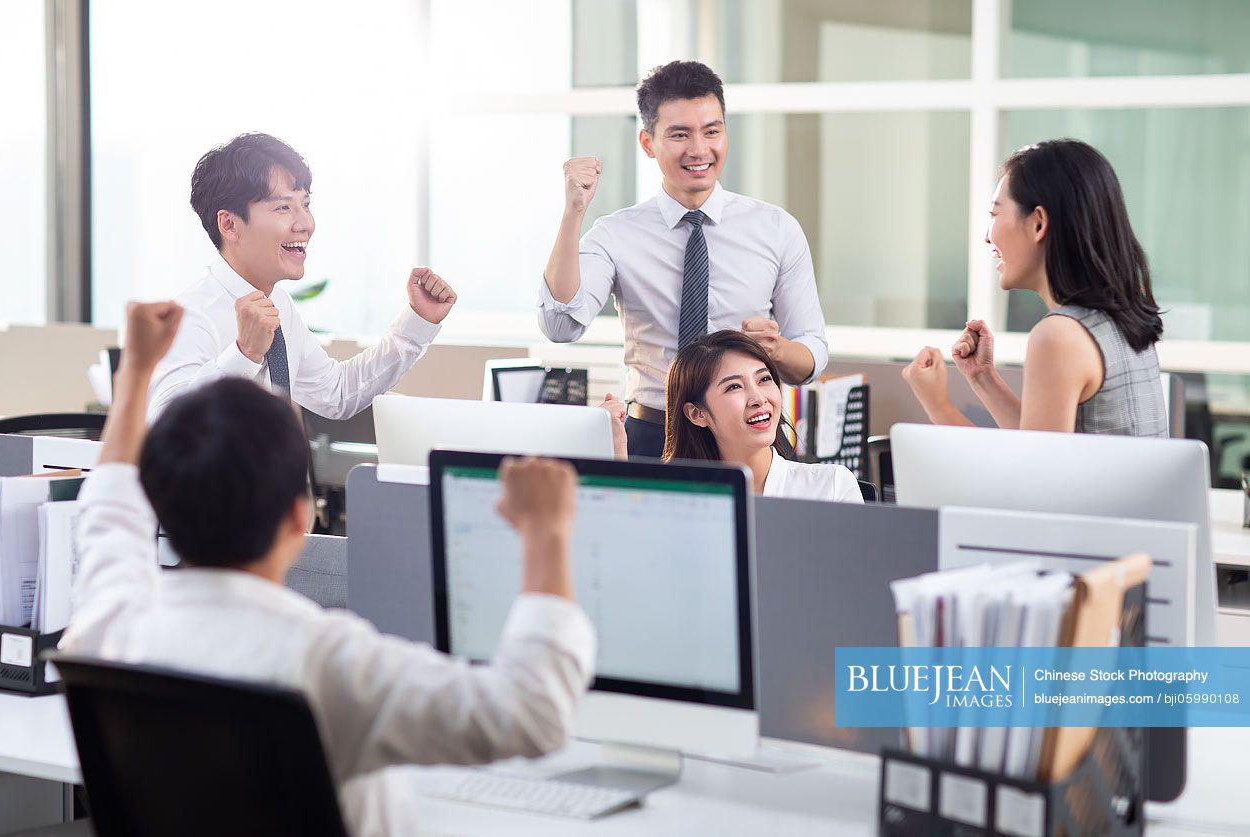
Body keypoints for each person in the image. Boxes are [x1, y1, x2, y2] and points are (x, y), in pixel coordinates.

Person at [61, 301, 595, 833]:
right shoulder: (329, 661)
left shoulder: (110, 623)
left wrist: (134, 372)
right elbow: (533, 714)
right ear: (299, 517)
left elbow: (110, 504)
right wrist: (546, 534)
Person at [539, 60, 829, 458]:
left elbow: (811, 356)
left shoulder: (776, 228)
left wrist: (775, 349)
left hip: (752, 439)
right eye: (679, 134)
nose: (699, 149)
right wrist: (573, 213)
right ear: (647, 142)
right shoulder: (615, 234)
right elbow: (560, 324)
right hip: (652, 436)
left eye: (712, 131)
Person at [148, 132, 458, 420]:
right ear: (229, 225)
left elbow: (337, 393)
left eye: (305, 204)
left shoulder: (278, 304)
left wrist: (418, 321)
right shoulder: (190, 316)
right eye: (284, 207)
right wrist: (244, 354)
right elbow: (163, 425)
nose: (305, 224)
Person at [902, 139, 1167, 436]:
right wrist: (982, 376)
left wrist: (938, 405)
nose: (987, 237)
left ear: (1039, 223)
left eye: (994, 214)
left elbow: (1032, 475)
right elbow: (1043, 443)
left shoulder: (1058, 336)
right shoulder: (1119, 319)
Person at [661, 329, 862, 502]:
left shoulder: (830, 487)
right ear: (697, 414)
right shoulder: (677, 500)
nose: (758, 398)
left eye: (764, 379)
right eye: (734, 387)